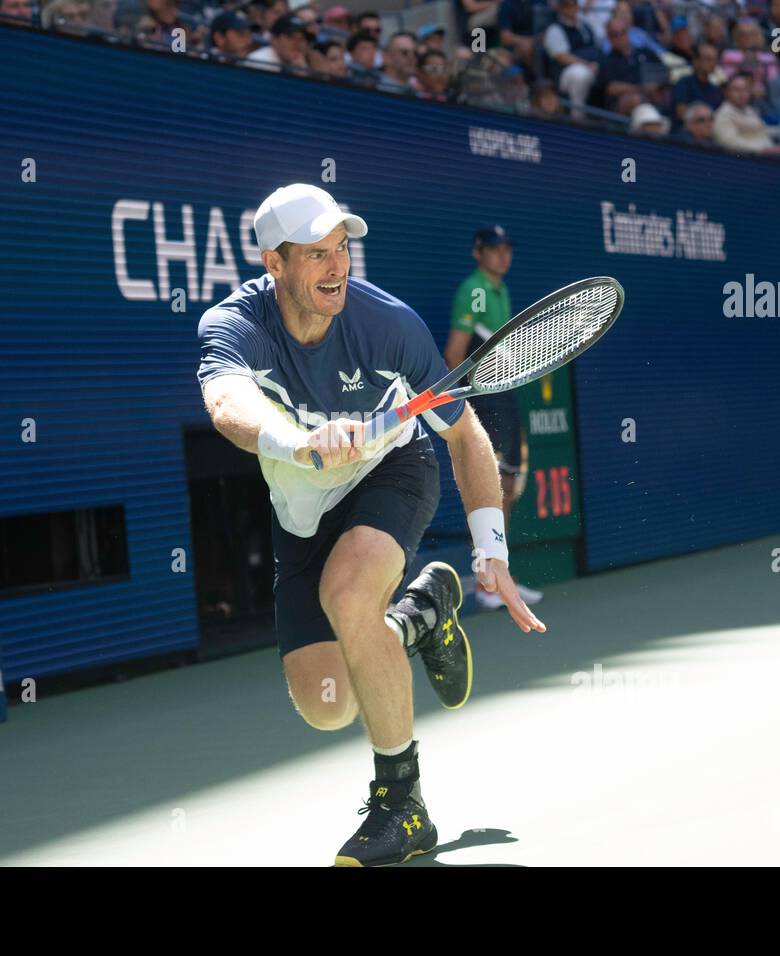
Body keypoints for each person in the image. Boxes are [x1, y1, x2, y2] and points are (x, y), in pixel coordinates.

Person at [197, 185, 546, 866]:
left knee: (350, 593)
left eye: (342, 248)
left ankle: (401, 804)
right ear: (274, 263)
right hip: (301, 504)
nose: (337, 267)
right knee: (327, 703)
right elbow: (226, 404)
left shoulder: (390, 325)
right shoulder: (232, 324)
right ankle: (419, 615)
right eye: (317, 254)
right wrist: (297, 443)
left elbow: (464, 435)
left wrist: (491, 549)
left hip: (393, 471)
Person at [444, 225, 547, 612]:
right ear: (478, 252)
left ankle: (500, 578)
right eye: (494, 249)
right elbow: (454, 355)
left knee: (505, 485)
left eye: (507, 248)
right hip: (486, 401)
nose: (503, 255)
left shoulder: (501, 291)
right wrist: (466, 410)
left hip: (504, 395)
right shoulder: (474, 291)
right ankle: (488, 583)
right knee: (492, 485)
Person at [714, 72, 780, 154]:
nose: (742, 93)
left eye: (745, 89)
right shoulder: (722, 115)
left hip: (766, 157)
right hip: (743, 161)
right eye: (736, 89)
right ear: (727, 92)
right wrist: (763, 150)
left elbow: (763, 132)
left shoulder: (750, 111)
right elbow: (730, 143)